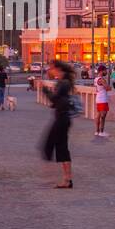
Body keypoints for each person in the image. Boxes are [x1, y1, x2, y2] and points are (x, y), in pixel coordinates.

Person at [41, 60, 76, 188]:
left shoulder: (64, 83)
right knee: (61, 147)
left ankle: (63, 178)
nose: (50, 70)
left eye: (52, 68)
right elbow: (56, 101)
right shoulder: (63, 83)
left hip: (62, 119)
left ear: (58, 69)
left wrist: (44, 88)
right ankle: (67, 179)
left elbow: (54, 98)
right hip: (62, 118)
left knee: (56, 146)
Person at [92, 65, 110, 137]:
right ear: (102, 71)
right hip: (103, 99)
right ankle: (101, 132)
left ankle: (97, 131)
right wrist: (108, 86)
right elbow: (108, 88)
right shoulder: (101, 79)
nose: (106, 72)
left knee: (98, 115)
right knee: (103, 116)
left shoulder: (96, 79)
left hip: (98, 98)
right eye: (105, 70)